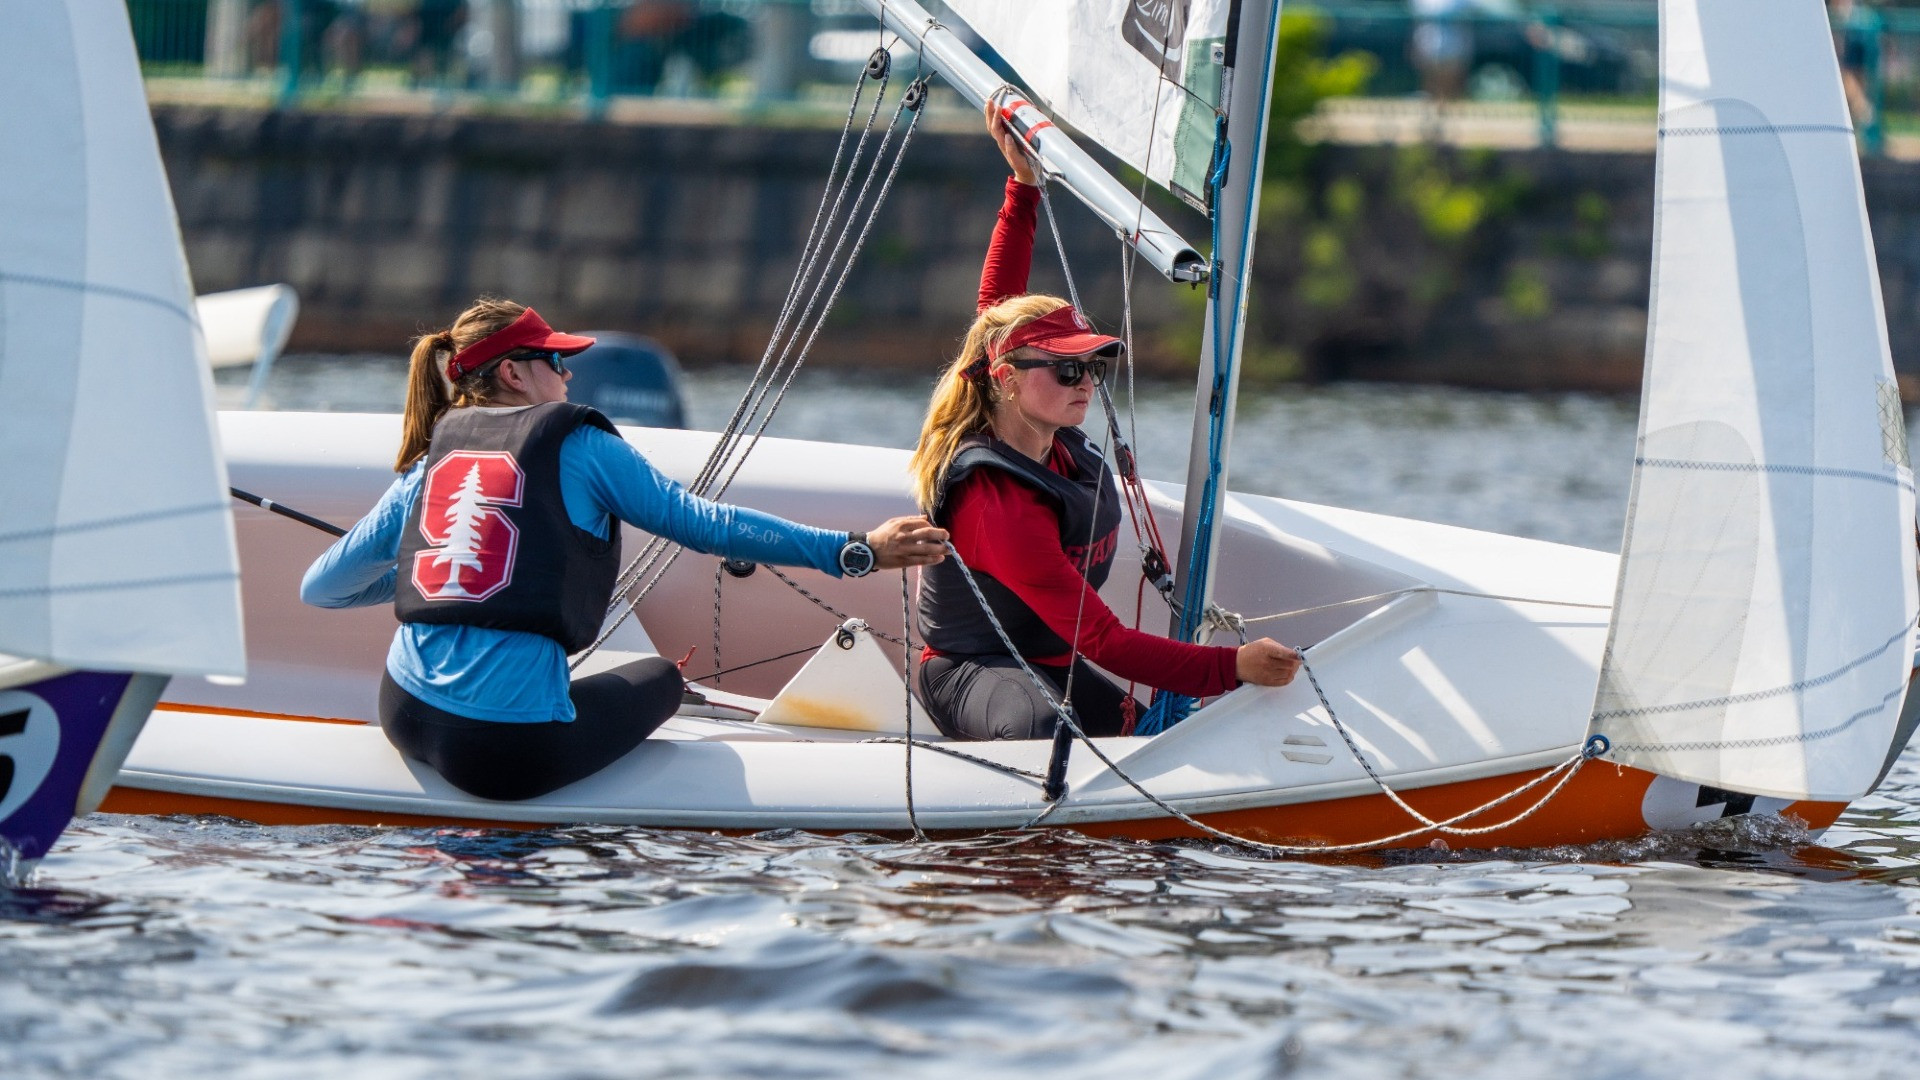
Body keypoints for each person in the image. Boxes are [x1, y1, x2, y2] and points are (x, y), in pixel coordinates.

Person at [302, 298, 948, 800]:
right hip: (502, 754)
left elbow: (323, 589)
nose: (568, 374)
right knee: (661, 678)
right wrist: (856, 550)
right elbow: (702, 523)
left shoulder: (430, 462)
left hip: (404, 713)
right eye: (554, 361)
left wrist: (447, 574)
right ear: (512, 373)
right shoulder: (580, 446)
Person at [905, 105, 1302, 742]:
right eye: (1066, 369)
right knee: (1048, 732)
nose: (1085, 383)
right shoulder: (995, 499)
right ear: (1005, 377)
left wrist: (1024, 188)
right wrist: (1232, 669)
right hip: (973, 671)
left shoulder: (1049, 438)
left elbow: (995, 311)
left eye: (1091, 366)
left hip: (1052, 665)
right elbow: (1103, 640)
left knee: (1148, 742)